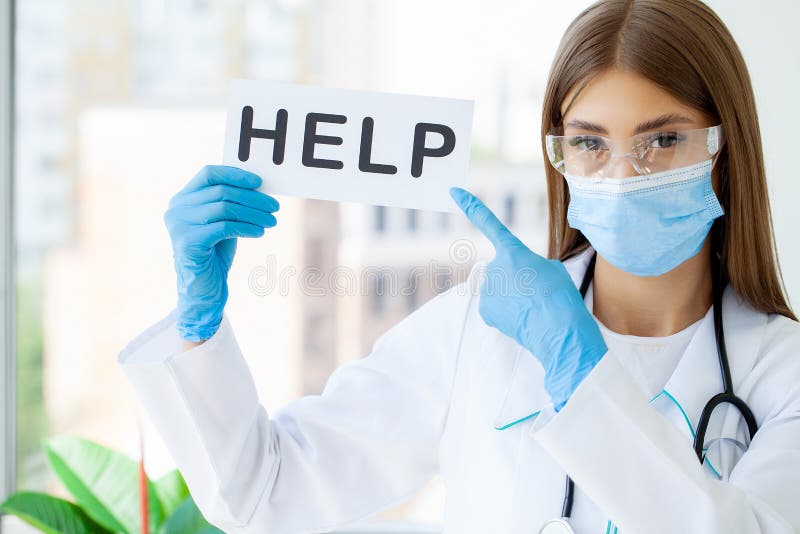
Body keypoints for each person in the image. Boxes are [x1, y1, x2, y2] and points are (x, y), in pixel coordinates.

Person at [118, 0, 800, 532]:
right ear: (559, 156)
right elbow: (261, 493)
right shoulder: (483, 324)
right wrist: (197, 324)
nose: (622, 174)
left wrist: (583, 373)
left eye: (664, 139)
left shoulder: (786, 375)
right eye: (590, 144)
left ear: (725, 148)